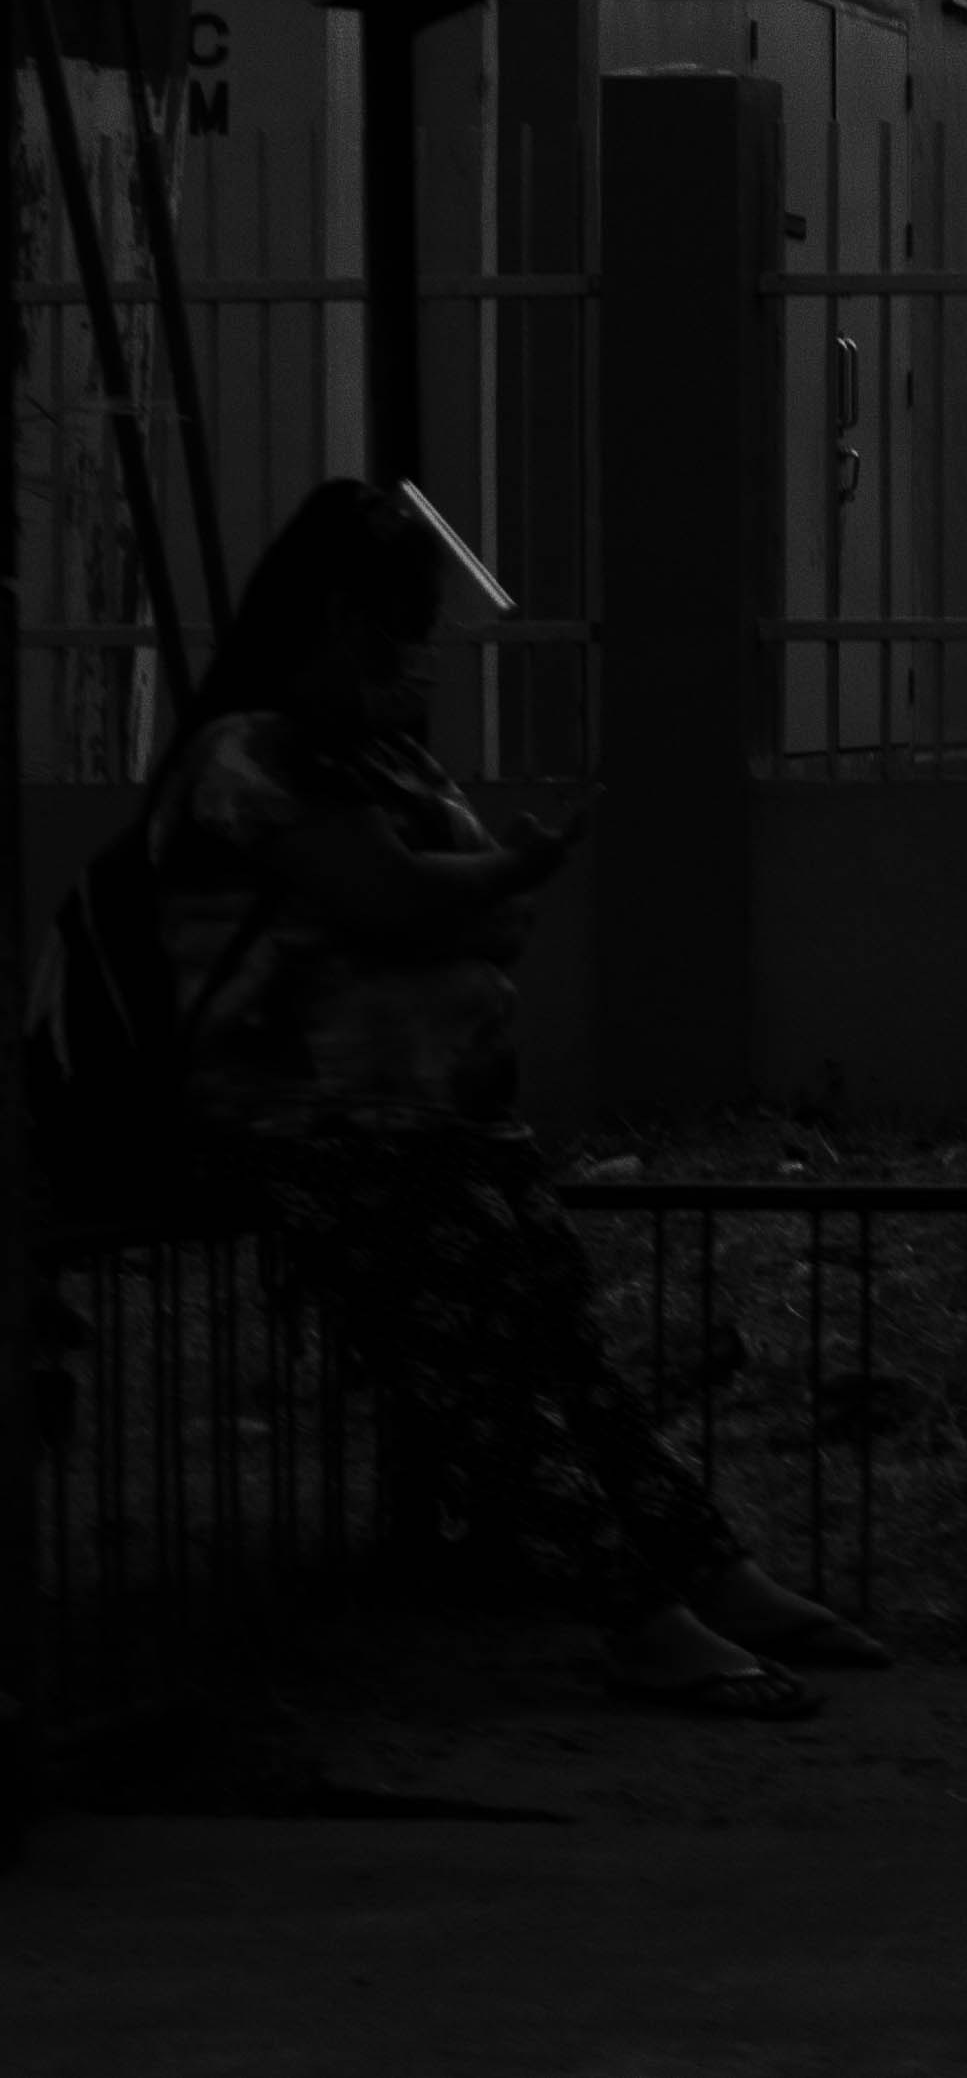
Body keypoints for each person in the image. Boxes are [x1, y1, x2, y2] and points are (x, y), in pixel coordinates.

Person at [142, 478, 883, 1718]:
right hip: (324, 1130)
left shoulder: (367, 751)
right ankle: (642, 1611)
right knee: (483, 1379)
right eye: (397, 625)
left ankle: (703, 1575)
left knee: (557, 1359)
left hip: (439, 1128)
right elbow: (401, 894)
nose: (413, 655)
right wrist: (499, 872)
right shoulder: (250, 754)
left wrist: (475, 885)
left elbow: (468, 905)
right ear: (336, 616)